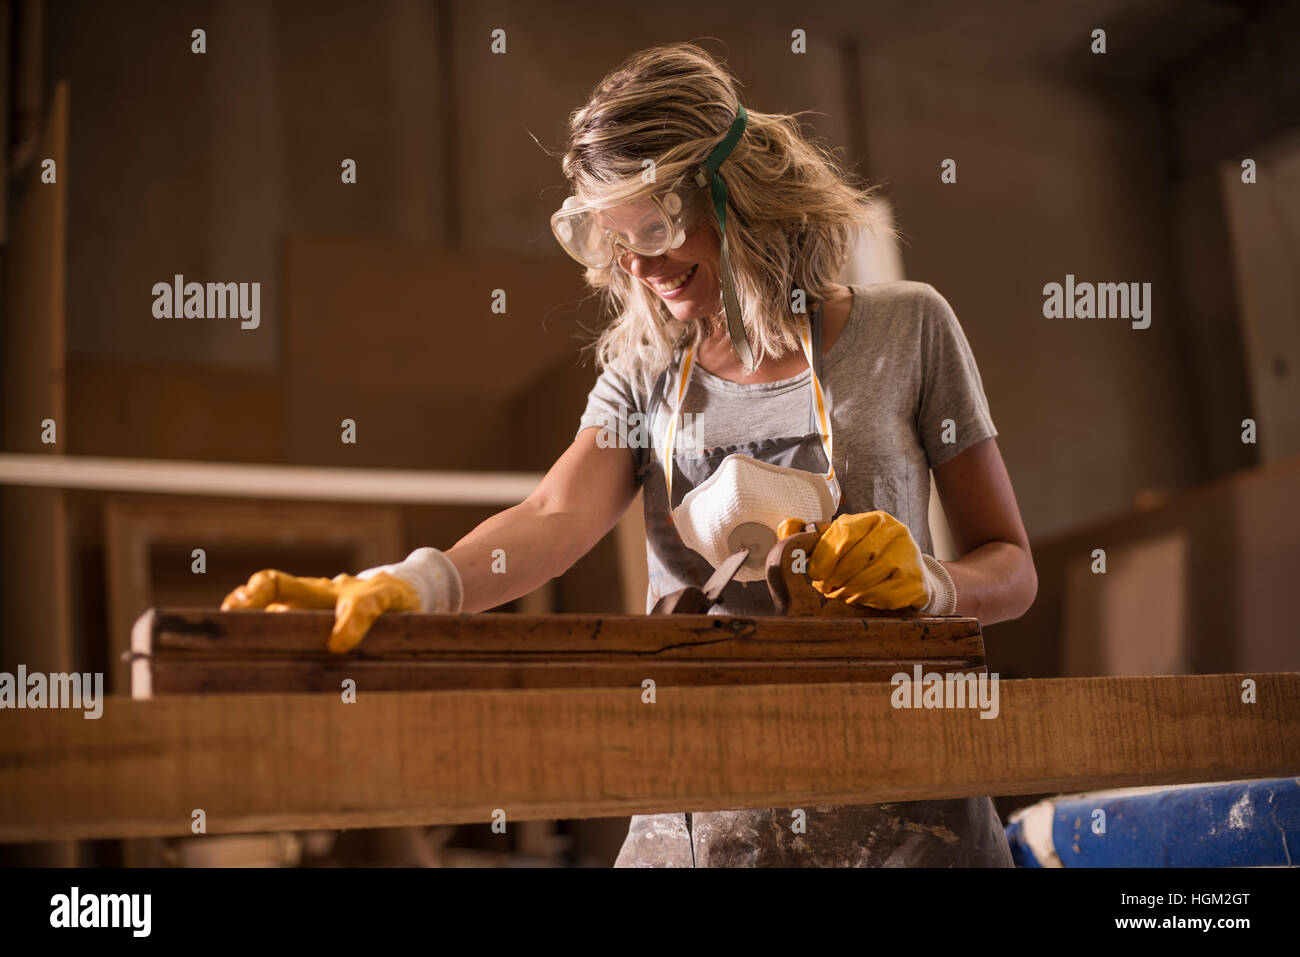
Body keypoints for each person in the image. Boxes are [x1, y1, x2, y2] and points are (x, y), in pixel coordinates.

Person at [224, 43, 1037, 867]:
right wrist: (413, 583)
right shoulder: (645, 376)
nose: (642, 267)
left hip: (907, 806)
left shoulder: (909, 328)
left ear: (736, 193)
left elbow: (1010, 566)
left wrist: (932, 582)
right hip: (704, 808)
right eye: (614, 241)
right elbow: (551, 515)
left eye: (656, 224)